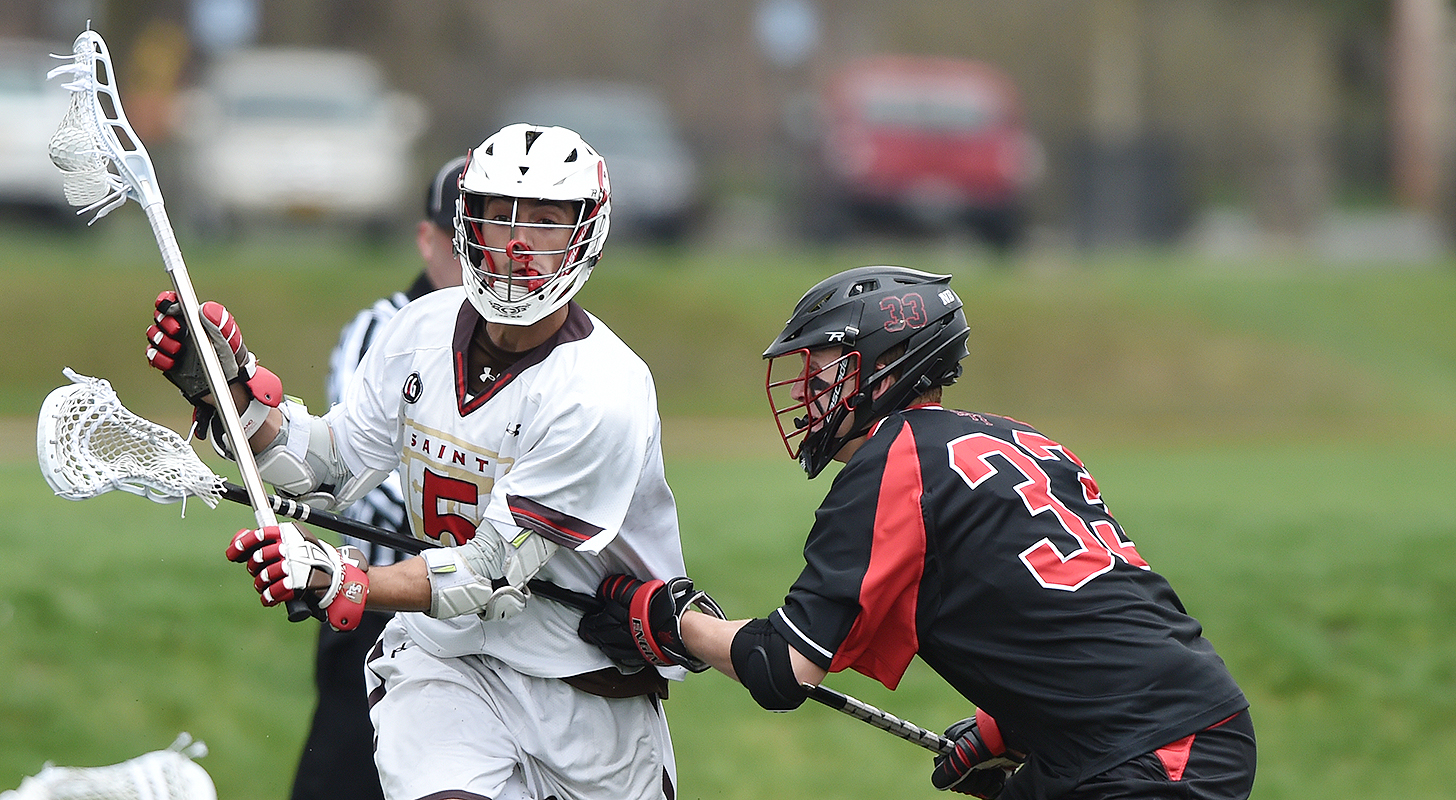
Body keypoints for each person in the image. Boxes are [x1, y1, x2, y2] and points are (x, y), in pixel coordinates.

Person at [146, 124, 694, 800]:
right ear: (468, 224)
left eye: (546, 222)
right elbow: (327, 471)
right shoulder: (420, 331)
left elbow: (490, 574)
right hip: (450, 664)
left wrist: (346, 582)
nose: (518, 243)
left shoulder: (603, 389)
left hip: (590, 697)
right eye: (500, 217)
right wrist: (236, 401)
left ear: (587, 234)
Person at [579, 266, 1255, 800]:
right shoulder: (1020, 437)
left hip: (1150, 749)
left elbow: (785, 668)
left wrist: (672, 620)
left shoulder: (893, 460)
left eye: (826, 370)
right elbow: (1069, 613)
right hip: (1163, 725)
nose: (812, 395)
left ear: (886, 363)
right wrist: (1003, 728)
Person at [289, 154, 468, 800]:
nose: (480, 257)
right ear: (427, 240)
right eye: (461, 239)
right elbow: (363, 472)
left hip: (482, 618)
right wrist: (472, 554)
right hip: (373, 611)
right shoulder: (383, 328)